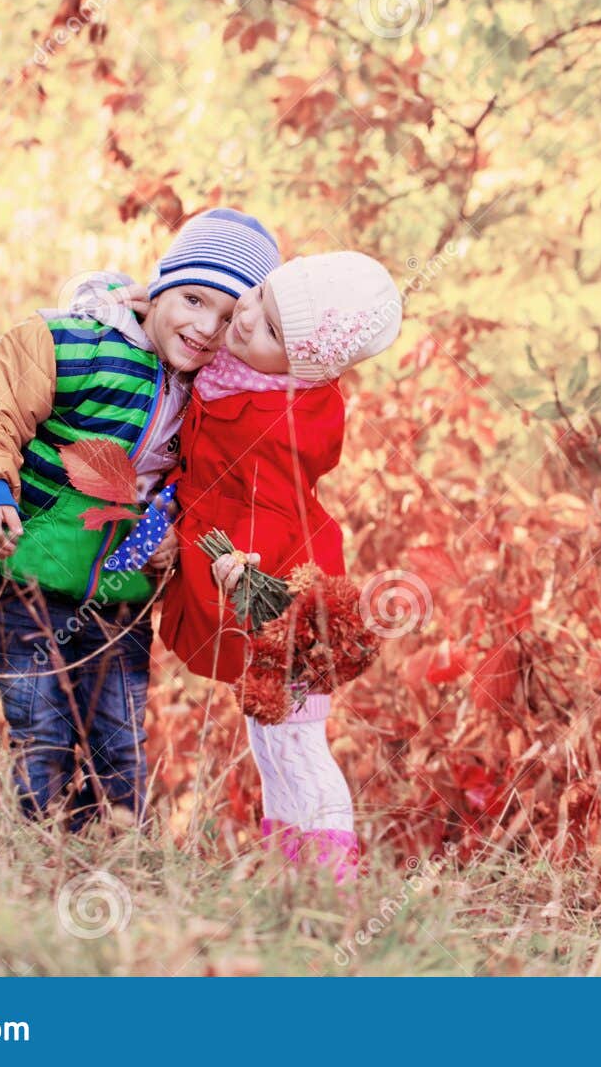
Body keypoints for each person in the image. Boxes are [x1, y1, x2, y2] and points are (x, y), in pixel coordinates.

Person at [0, 208, 281, 828]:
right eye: (194, 299)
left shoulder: (210, 397)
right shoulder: (70, 343)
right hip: (30, 577)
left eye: (230, 319)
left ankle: (114, 855)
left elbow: (192, 491)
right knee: (41, 726)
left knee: (119, 740)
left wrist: (172, 543)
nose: (206, 328)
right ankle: (41, 848)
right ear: (157, 288)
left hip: (122, 598)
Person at [151, 251, 402, 879]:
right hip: (257, 585)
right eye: (261, 294)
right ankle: (295, 878)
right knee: (272, 744)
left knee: (296, 744)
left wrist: (227, 570)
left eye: (270, 330)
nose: (246, 318)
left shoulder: (279, 418)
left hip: (282, 593)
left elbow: (259, 515)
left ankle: (332, 877)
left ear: (301, 369)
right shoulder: (247, 373)